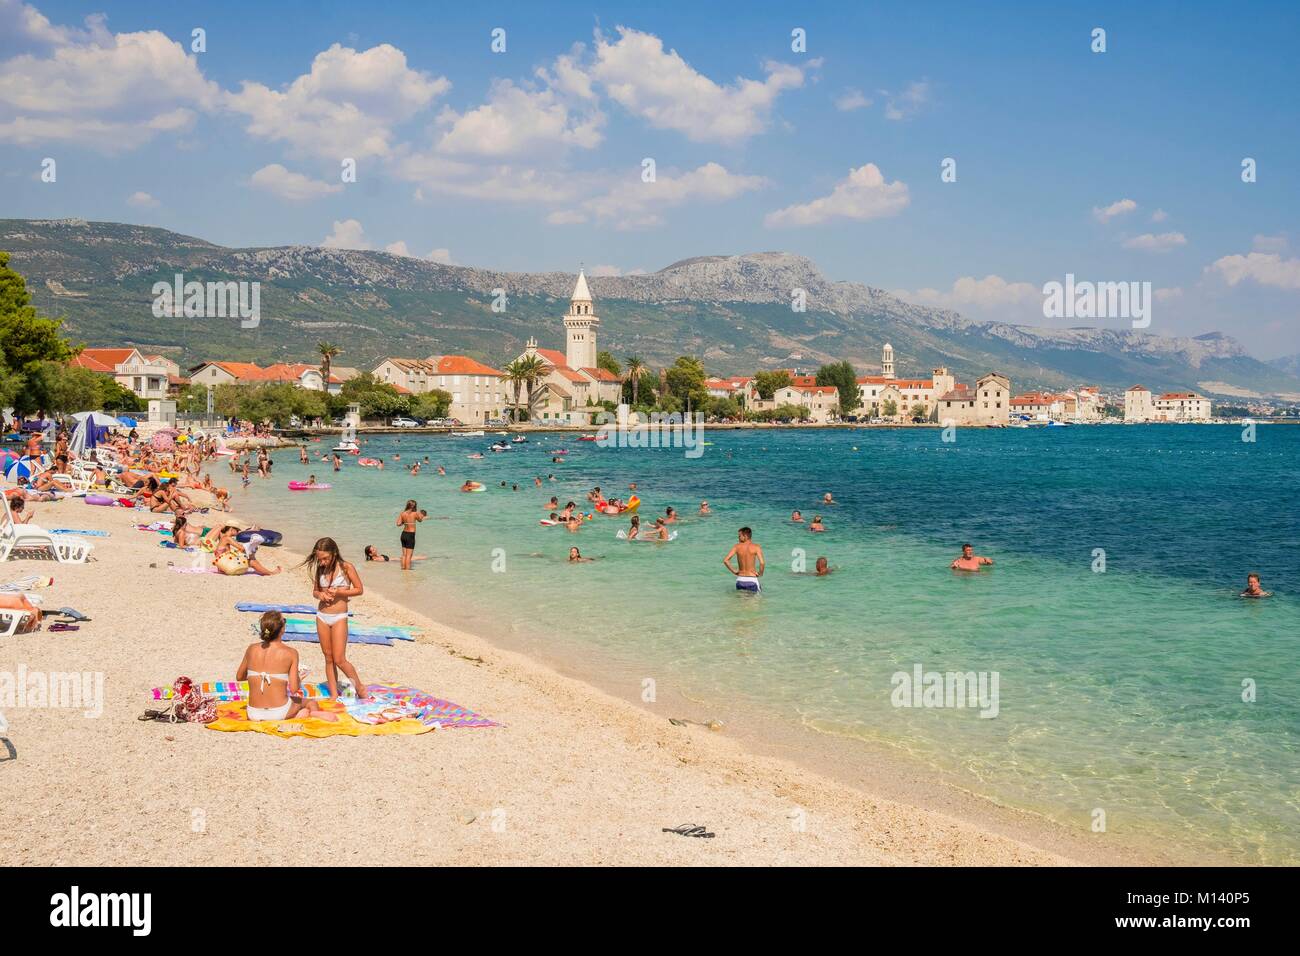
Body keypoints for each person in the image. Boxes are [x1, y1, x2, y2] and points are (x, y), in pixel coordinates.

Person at [236, 612, 336, 722]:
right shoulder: (290, 653)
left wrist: (256, 676)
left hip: (253, 713)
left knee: (293, 704)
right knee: (310, 702)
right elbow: (294, 689)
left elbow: (240, 677)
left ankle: (299, 715)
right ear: (282, 629)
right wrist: (298, 677)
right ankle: (312, 713)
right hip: (279, 712)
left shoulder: (251, 649)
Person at [303, 538, 368, 701]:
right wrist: (321, 594)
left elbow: (359, 590)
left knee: (339, 658)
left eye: (325, 558)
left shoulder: (347, 568)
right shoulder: (320, 569)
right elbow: (315, 591)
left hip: (339, 617)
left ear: (334, 553)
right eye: (320, 559)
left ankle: (360, 688)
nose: (322, 562)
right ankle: (333, 694)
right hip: (322, 616)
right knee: (328, 657)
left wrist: (340, 592)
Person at [723, 526, 765, 592]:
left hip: (740, 580)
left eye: (739, 536)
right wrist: (760, 573)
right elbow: (762, 563)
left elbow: (725, 560)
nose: (738, 538)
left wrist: (734, 571)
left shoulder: (737, 546)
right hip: (752, 580)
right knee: (756, 601)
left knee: (741, 601)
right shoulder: (756, 547)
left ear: (745, 536)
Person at [396, 499, 426, 570]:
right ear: (414, 506)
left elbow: (398, 524)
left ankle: (403, 568)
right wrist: (422, 517)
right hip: (410, 535)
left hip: (403, 534)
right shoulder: (415, 513)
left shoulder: (402, 513)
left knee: (404, 555)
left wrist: (405, 522)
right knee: (409, 556)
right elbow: (420, 520)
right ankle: (407, 571)